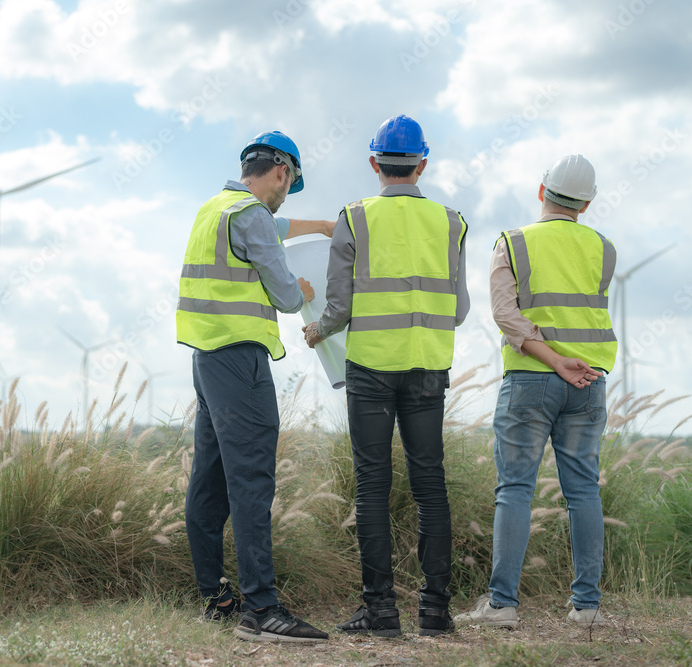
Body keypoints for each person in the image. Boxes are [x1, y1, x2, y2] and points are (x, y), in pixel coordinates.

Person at [304, 115, 469, 638]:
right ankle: (435, 613)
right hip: (428, 367)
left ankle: (380, 612)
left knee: (372, 486)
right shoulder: (452, 222)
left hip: (371, 368)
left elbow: (338, 307)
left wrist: (317, 331)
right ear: (423, 164)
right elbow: (460, 310)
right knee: (431, 486)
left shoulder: (354, 218)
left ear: (374, 162)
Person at [176, 130, 331, 643]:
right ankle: (262, 611)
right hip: (241, 362)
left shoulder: (216, 209)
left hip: (207, 359)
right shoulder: (252, 215)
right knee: (250, 483)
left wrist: (323, 226)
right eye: (290, 185)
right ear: (282, 172)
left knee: (209, 483)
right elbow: (286, 296)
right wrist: (302, 289)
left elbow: (272, 226)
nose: (286, 197)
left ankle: (216, 598)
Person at [454, 154, 616, 629]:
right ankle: (587, 608)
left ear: (542, 191)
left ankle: (502, 606)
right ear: (586, 204)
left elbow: (505, 315)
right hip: (589, 381)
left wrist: (551, 359)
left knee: (515, 490)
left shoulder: (513, 242)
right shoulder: (604, 248)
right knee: (583, 491)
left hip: (531, 379)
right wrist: (569, 362)